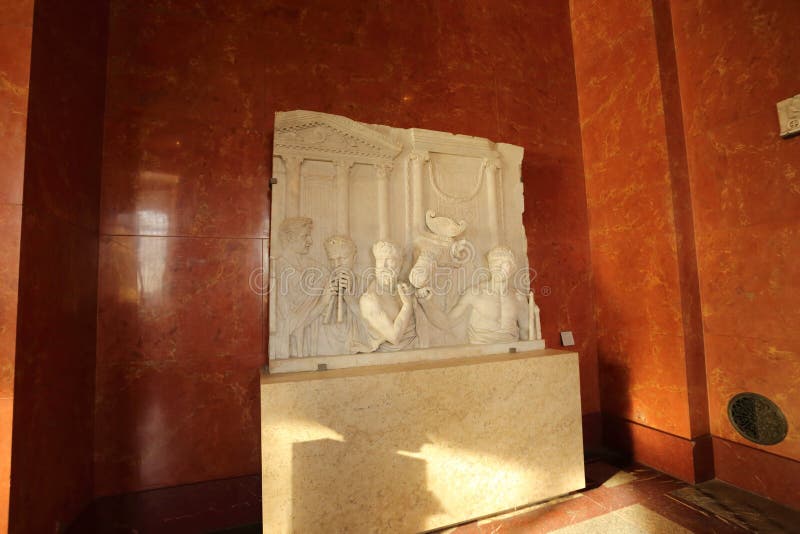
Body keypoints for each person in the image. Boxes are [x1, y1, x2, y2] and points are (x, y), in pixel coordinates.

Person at [447, 245, 529, 344]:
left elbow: (526, 332)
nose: (497, 267)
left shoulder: (519, 297)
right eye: (494, 262)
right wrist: (429, 304)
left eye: (503, 263)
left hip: (510, 347)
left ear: (512, 267)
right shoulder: (475, 293)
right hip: (480, 348)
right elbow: (447, 322)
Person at [270, 217, 326, 358]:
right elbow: (288, 322)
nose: (310, 241)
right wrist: (323, 302)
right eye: (305, 236)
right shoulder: (277, 269)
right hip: (289, 344)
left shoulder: (314, 266)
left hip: (312, 341)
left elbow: (331, 279)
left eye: (309, 235)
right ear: (289, 239)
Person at [359, 241, 419, 352]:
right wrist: (407, 306)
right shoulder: (369, 300)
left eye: (390, 261)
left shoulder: (402, 289)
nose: (384, 266)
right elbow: (394, 337)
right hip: (391, 355)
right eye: (380, 261)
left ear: (399, 266)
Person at [316, 235, 370, 355]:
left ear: (354, 258)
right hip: (328, 347)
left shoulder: (366, 284)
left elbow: (373, 323)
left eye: (342, 258)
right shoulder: (321, 284)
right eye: (332, 259)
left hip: (356, 345)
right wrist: (323, 302)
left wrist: (350, 299)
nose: (337, 264)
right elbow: (306, 322)